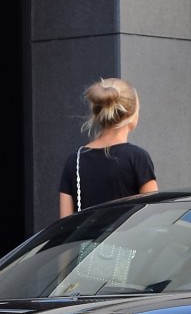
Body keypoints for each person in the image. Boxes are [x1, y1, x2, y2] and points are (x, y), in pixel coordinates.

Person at [58, 77, 158, 217]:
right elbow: (152, 216)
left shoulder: (75, 160)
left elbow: (65, 222)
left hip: (88, 238)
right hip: (127, 239)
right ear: (130, 114)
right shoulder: (137, 158)